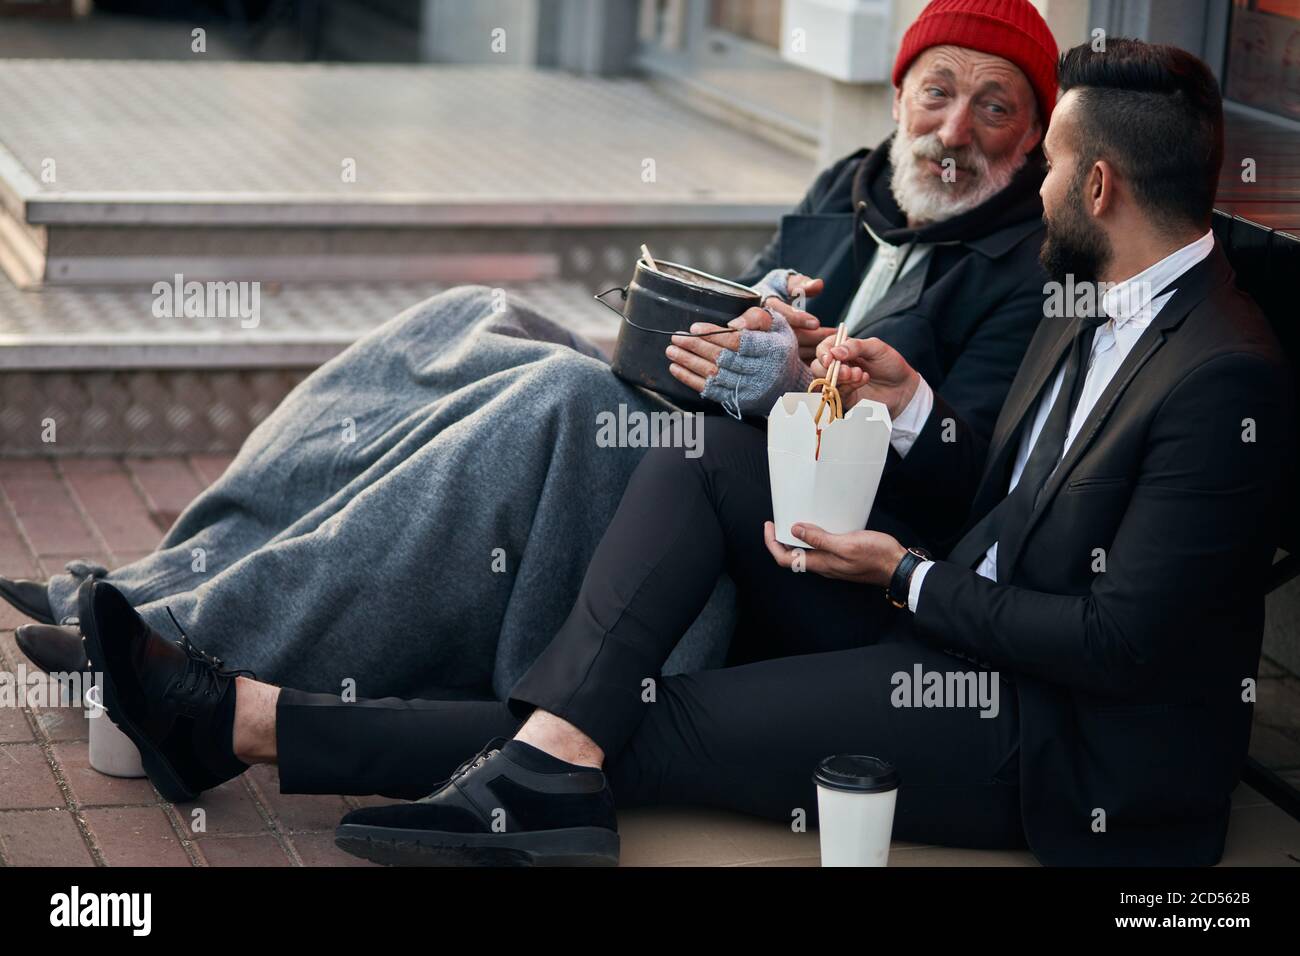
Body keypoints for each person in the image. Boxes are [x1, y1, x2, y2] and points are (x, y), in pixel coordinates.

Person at [78, 39, 1293, 866]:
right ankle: (531, 761)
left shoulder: (1217, 371)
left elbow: (1121, 645)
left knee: (644, 718)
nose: (1025, 196)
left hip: (1054, 738)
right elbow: (1004, 480)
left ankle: (244, 720)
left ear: (1093, 181)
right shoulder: (1101, 288)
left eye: (1043, 169)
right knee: (693, 463)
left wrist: (905, 577)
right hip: (947, 620)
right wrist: (912, 399)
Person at [6, 0, 1060, 703]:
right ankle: (156, 578)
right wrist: (740, 315)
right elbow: (751, 299)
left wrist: (801, 390)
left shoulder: (1022, 268)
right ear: (897, 97)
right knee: (457, 318)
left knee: (554, 393)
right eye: (937, 90)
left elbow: (964, 475)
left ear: (1030, 138)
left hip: (768, 532)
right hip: (697, 424)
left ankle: (189, 644)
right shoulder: (849, 180)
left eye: (993, 105)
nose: (955, 128)